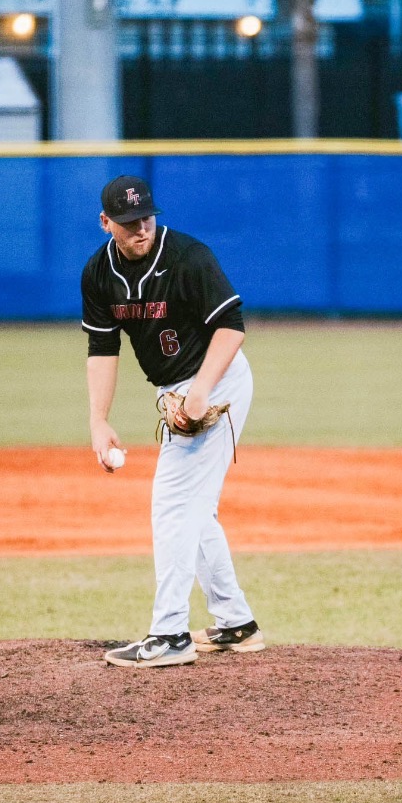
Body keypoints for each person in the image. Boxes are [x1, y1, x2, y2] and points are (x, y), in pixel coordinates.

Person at [81, 174, 265, 668]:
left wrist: (200, 393)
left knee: (173, 506)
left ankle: (169, 635)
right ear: (105, 223)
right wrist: (99, 419)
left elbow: (232, 328)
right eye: (128, 222)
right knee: (194, 510)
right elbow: (102, 347)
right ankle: (236, 623)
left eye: (145, 217)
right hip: (174, 390)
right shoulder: (98, 273)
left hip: (217, 383)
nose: (140, 228)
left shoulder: (188, 256)